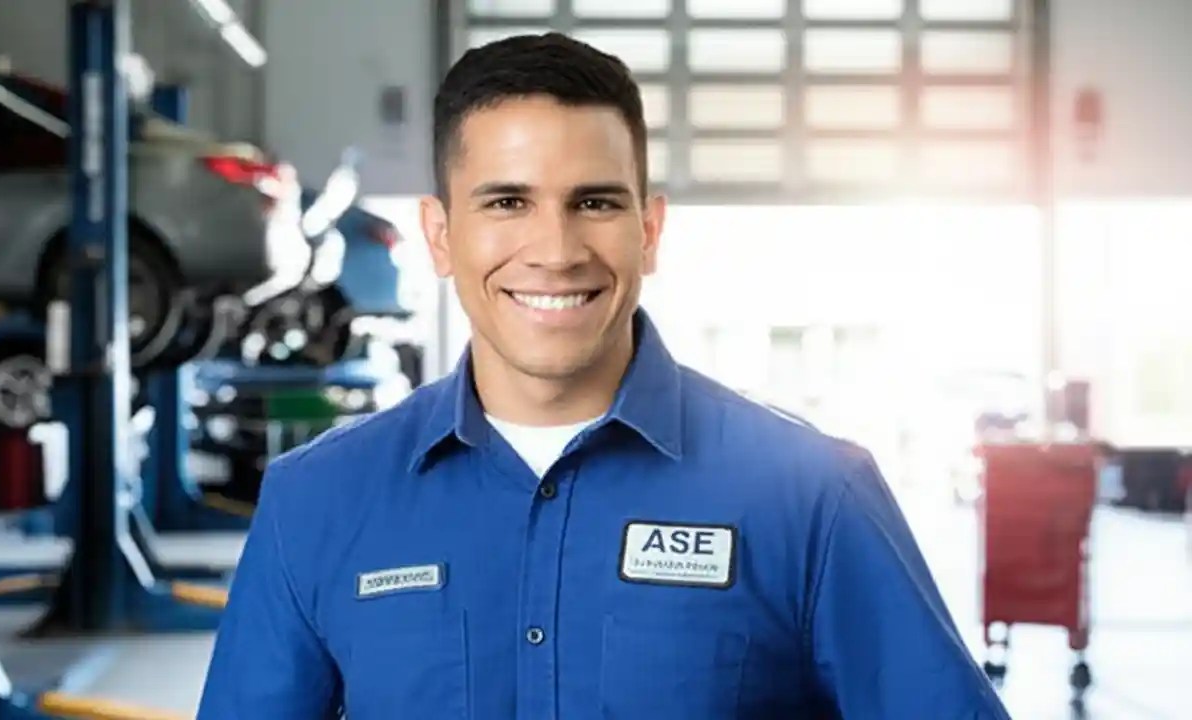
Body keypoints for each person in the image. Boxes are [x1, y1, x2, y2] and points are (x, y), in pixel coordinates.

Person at [197, 32, 1012, 719]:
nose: (556, 251)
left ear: (649, 230)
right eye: (507, 202)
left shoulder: (811, 497)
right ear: (440, 235)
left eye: (594, 203)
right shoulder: (319, 501)